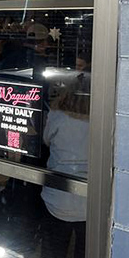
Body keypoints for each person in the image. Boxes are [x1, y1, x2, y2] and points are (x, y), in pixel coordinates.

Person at [41, 82, 89, 222]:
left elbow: (46, 140)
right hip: (89, 203)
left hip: (55, 199)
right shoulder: (103, 119)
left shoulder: (57, 114)